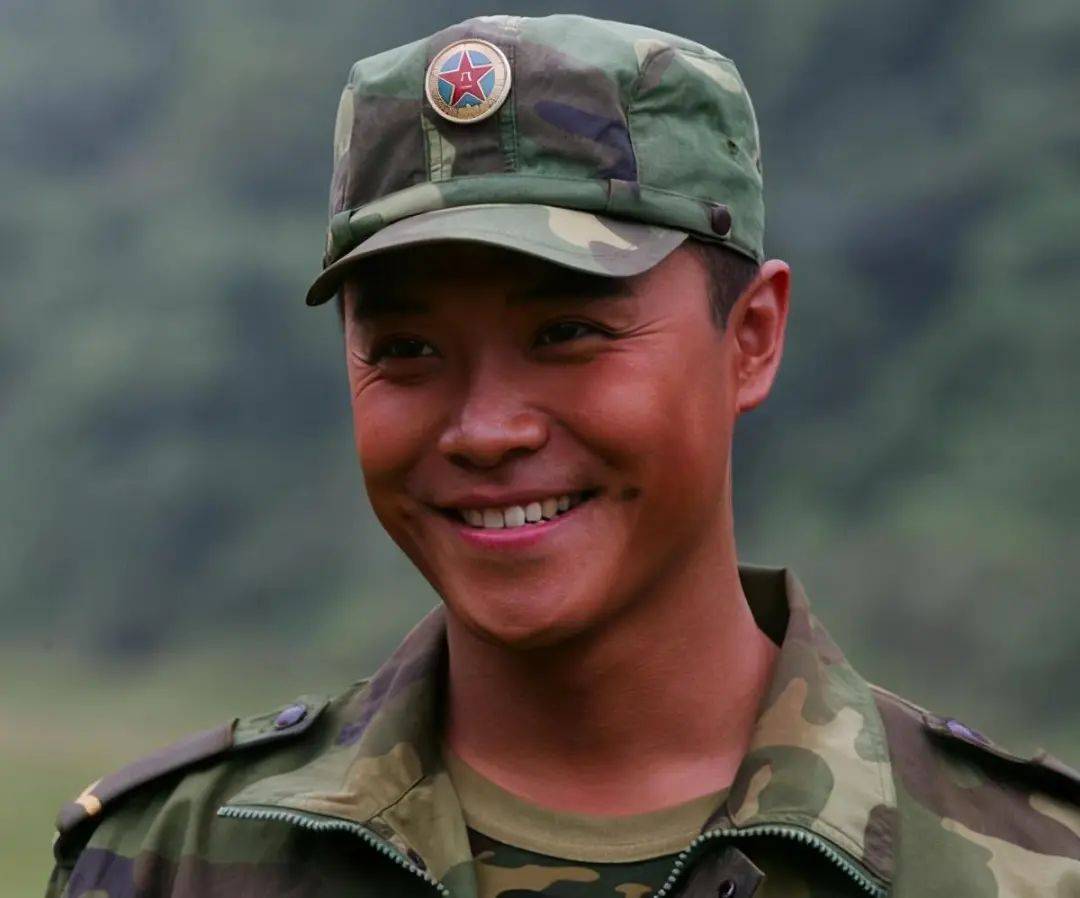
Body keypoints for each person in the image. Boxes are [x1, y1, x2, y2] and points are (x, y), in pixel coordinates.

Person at [46, 13, 1080, 898]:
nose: (485, 429)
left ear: (752, 338)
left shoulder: (1023, 867)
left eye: (568, 332)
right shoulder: (172, 861)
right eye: (407, 350)